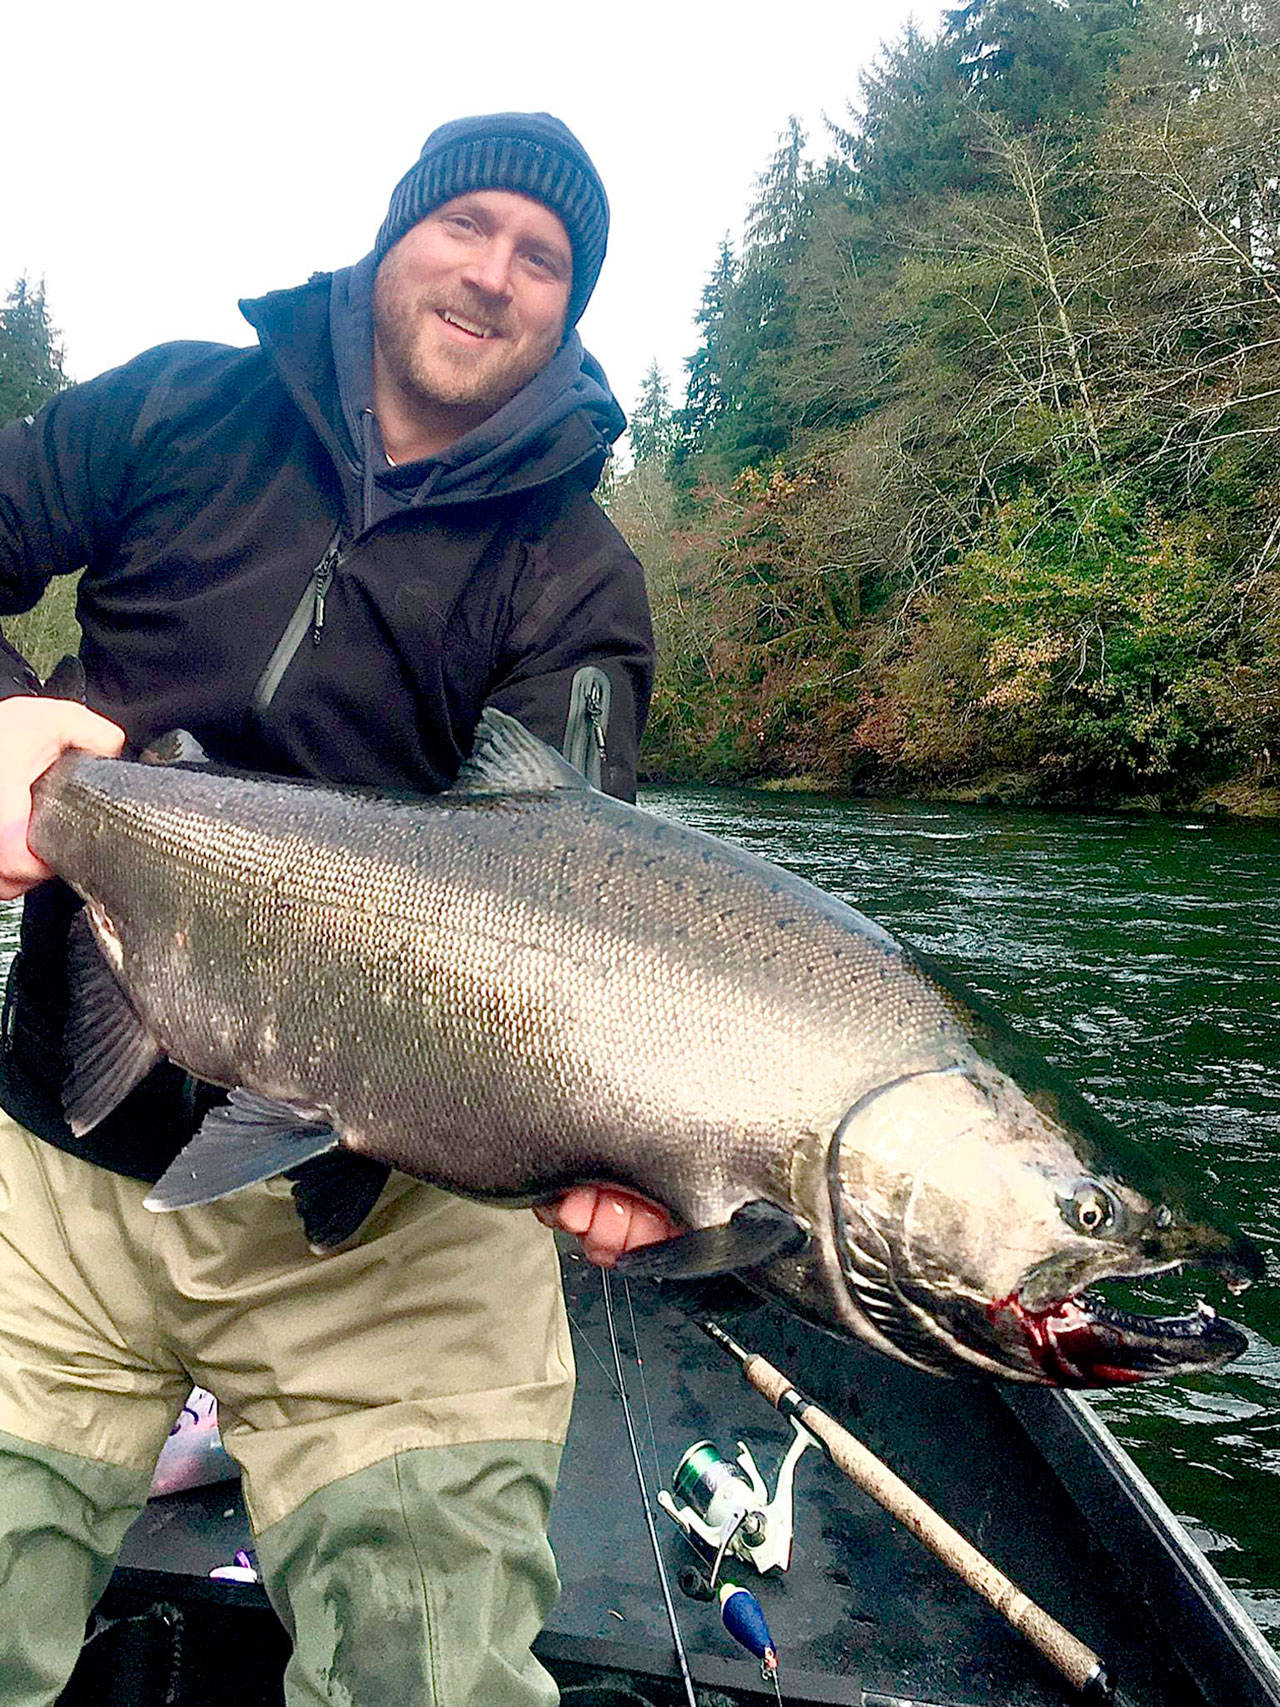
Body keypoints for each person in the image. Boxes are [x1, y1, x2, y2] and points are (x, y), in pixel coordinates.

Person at [0, 112, 675, 1706]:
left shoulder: (579, 578)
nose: (493, 275)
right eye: (468, 226)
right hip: (60, 1159)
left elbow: (573, 912)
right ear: (392, 237)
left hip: (395, 1239)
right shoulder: (176, 409)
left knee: (425, 1677)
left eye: (543, 259)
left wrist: (618, 1136)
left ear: (567, 312)